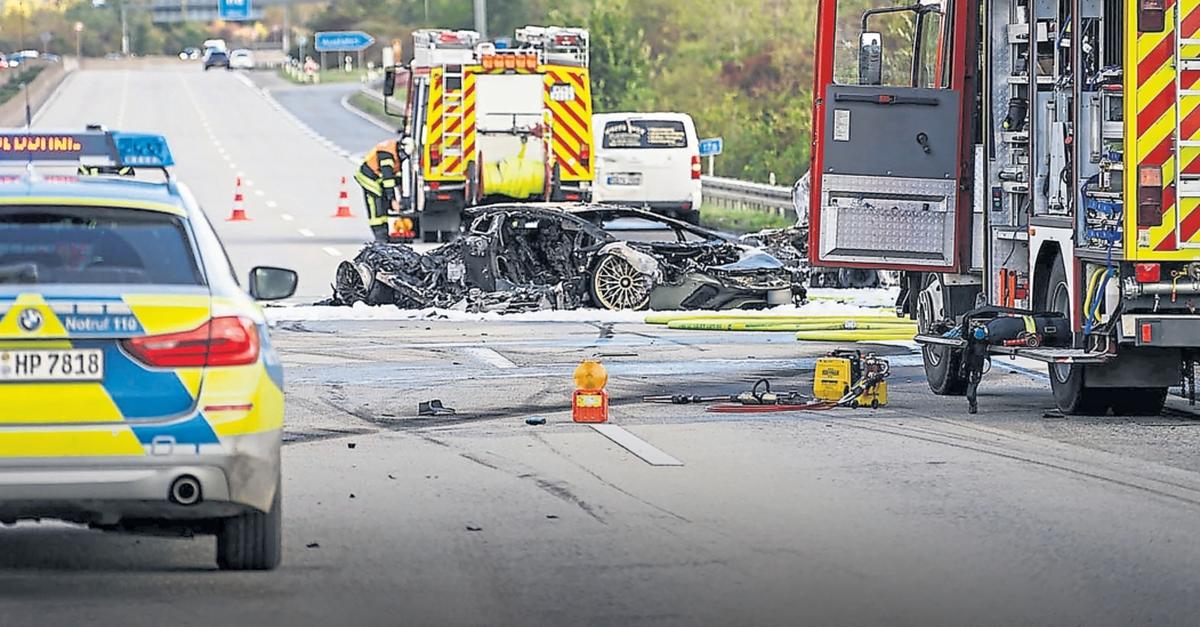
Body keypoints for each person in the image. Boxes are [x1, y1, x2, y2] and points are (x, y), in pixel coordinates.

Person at [354, 136, 410, 243]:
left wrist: (402, 194)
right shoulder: (387, 154)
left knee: (384, 203)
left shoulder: (396, 153)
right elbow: (388, 179)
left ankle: (384, 233)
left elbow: (396, 177)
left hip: (378, 179)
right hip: (369, 178)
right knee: (376, 204)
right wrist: (393, 199)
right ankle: (380, 236)